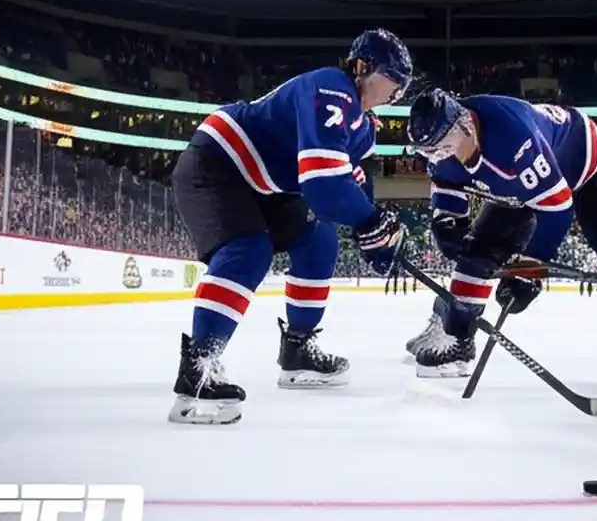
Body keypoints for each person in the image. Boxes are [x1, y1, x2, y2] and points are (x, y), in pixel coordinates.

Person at [168, 30, 413, 425]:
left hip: (268, 184)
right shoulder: (332, 87)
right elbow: (324, 187)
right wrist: (369, 222)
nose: (399, 90)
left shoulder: (363, 129)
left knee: (318, 242)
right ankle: (197, 371)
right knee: (248, 250)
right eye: (393, 78)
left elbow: (344, 187)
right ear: (363, 67)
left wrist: (373, 231)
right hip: (219, 161)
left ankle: (298, 351)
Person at [402, 88, 597, 387]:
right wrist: (446, 221)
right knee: (475, 253)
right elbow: (445, 183)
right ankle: (458, 340)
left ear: (465, 126)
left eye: (441, 148)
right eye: (429, 152)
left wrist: (528, 272)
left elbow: (557, 210)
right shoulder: (444, 142)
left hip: (582, 166)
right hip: (521, 188)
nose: (438, 157)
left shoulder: (512, 140)